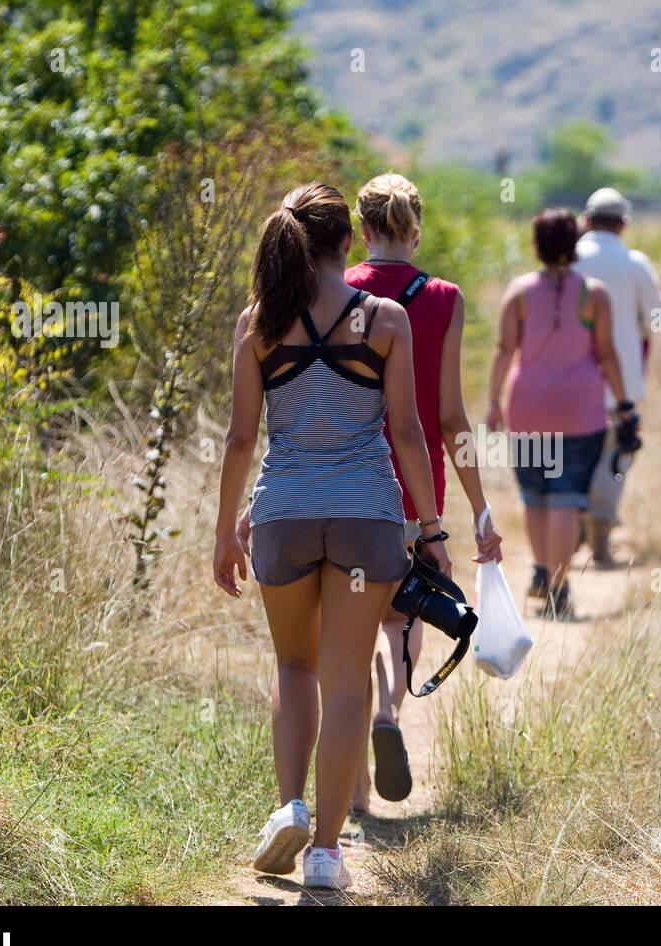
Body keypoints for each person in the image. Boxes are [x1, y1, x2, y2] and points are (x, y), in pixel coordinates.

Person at [212, 181, 450, 891]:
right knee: (348, 682)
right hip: (365, 516)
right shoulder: (382, 319)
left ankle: (288, 804)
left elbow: (240, 437)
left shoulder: (257, 323)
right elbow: (406, 431)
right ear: (347, 241)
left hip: (282, 513)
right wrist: (431, 529)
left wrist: (225, 533)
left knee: (295, 667)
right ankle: (325, 851)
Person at [344, 172, 502, 812]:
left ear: (361, 230)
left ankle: (350, 795)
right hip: (414, 485)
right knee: (402, 612)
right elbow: (450, 415)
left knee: (343, 627)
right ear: (416, 230)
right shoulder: (442, 297)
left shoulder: (337, 289)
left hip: (344, 477)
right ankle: (389, 709)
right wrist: (479, 505)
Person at [485, 208, 635, 617]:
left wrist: (492, 400)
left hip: (528, 410)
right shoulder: (595, 293)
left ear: (536, 247)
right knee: (566, 499)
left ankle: (539, 568)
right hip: (579, 412)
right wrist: (624, 405)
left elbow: (503, 350)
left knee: (536, 496)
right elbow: (606, 355)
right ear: (575, 244)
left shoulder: (518, 292)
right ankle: (558, 587)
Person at [573, 187, 661, 567]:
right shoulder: (636, 263)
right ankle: (600, 544)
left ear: (586, 220)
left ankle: (572, 524)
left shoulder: (569, 259)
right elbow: (655, 322)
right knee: (614, 459)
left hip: (573, 382)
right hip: (621, 386)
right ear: (624, 224)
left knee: (575, 455)